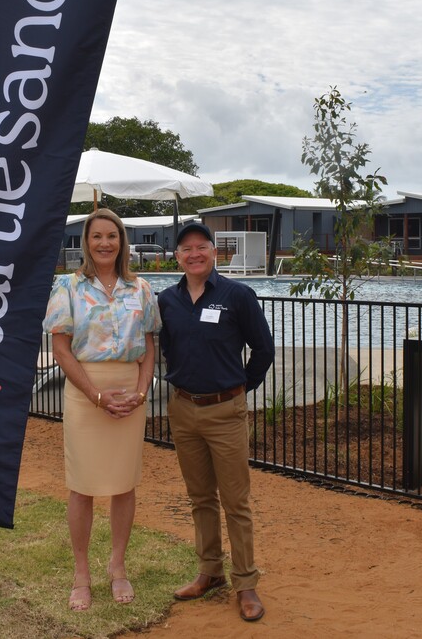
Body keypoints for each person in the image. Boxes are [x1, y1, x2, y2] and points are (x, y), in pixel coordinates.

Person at [44, 209, 161, 612]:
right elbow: (61, 350)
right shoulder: (67, 287)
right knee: (83, 485)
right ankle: (81, 573)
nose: (105, 243)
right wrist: (95, 395)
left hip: (130, 396)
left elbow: (149, 346)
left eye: (112, 235)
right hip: (85, 394)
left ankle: (118, 565)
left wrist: (141, 392)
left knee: (124, 483)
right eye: (97, 236)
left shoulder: (141, 288)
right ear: (86, 242)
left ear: (122, 241)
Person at [157, 222, 274, 622]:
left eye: (201, 247)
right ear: (178, 257)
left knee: (235, 501)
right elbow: (168, 349)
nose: (194, 254)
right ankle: (210, 572)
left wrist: (240, 387)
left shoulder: (236, 295)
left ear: (213, 252)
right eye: (186, 249)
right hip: (183, 410)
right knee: (200, 498)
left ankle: (246, 583)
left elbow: (263, 349)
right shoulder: (167, 300)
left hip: (226, 412)